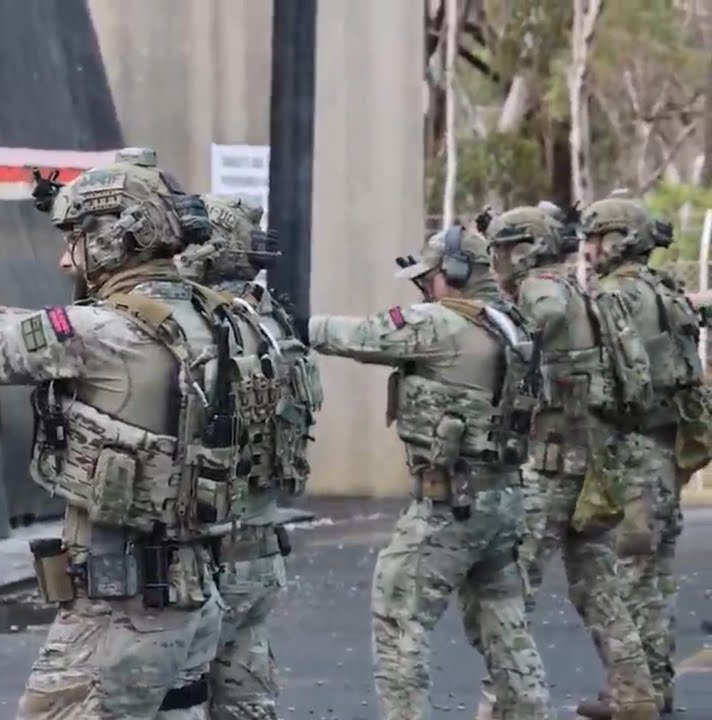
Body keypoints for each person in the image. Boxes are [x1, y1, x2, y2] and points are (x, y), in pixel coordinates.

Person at [0, 156, 275, 719]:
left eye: (77, 239)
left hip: (120, 613)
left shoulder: (105, 329)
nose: (67, 257)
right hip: (192, 595)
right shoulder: (215, 316)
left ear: (115, 236)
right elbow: (51, 335)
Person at [291, 225, 551, 720]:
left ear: (453, 273)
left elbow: (363, 336)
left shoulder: (442, 324)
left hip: (451, 504)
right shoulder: (510, 323)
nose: (425, 286)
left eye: (430, 276)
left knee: (398, 613)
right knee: (506, 627)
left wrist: (297, 324)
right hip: (504, 499)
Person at [484, 205, 659, 720]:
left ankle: (503, 707)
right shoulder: (581, 289)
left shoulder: (543, 288)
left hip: (552, 467)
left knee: (510, 588)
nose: (494, 262)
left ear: (524, 250)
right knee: (596, 582)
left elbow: (542, 320)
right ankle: (635, 692)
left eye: (500, 249)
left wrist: (506, 332)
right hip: (588, 461)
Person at [174, 194, 322, 719]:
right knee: (246, 697)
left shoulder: (210, 328)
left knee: (179, 696)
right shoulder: (272, 323)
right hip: (259, 549)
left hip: (213, 556)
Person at [580, 197, 704, 714]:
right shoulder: (665, 294)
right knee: (653, 578)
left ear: (619, 240)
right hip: (665, 453)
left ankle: (630, 694)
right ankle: (657, 686)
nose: (588, 249)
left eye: (596, 238)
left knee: (624, 580)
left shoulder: (612, 297)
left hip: (628, 452)